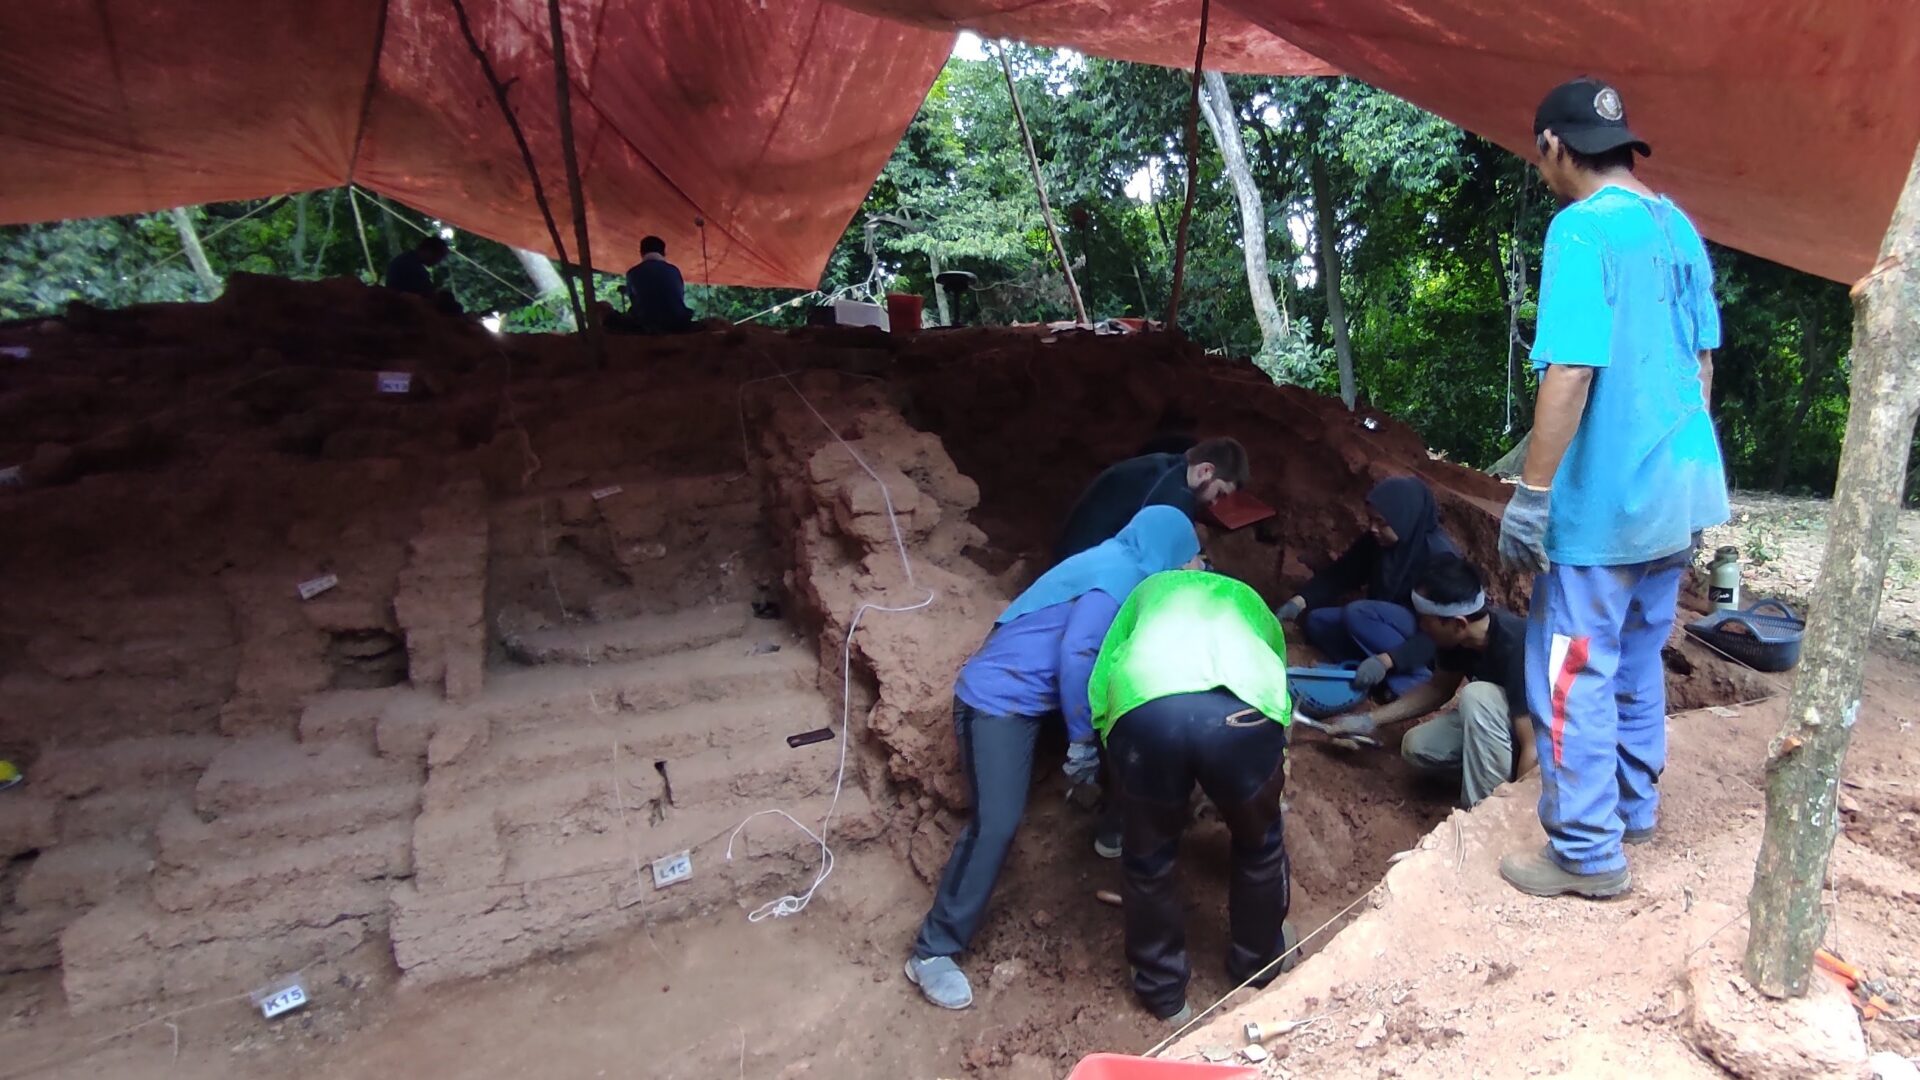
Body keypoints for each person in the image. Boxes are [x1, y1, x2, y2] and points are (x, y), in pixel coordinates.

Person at [1495, 77, 1728, 900]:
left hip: (1604, 509)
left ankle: (1586, 853)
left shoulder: (1582, 232)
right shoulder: (1677, 226)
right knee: (1635, 657)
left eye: (1541, 155)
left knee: (1569, 668)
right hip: (1678, 495)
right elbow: (1701, 367)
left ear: (1556, 147)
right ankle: (1632, 805)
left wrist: (1533, 492)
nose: (1543, 169)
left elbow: (1572, 369)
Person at [906, 506, 1203, 1011]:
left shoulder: (1117, 559)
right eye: (1186, 556)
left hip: (1034, 696)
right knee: (996, 822)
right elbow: (1079, 653)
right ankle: (933, 949)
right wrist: (1082, 741)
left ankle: (1112, 830)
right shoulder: (1119, 576)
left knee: (1129, 729)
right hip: (997, 701)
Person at [1088, 568, 1296, 1023]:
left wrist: (1120, 765)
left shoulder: (1144, 592)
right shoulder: (1246, 594)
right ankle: (1258, 964)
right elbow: (1275, 668)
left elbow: (1102, 679)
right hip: (1242, 713)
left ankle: (1164, 995)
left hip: (1147, 709)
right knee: (1260, 848)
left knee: (1148, 864)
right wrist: (1273, 756)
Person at [1326, 555, 1538, 808]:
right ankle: (1494, 777)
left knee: (1477, 696)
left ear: (1458, 623)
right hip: (1503, 727)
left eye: (1426, 619)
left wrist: (1517, 814)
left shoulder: (1518, 646)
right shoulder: (1459, 640)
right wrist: (1370, 721)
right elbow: (1438, 689)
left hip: (1550, 745)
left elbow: (1534, 746)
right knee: (1417, 747)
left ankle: (1483, 811)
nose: (1420, 626)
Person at [1275, 477, 1458, 697]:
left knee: (1358, 613)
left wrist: (1390, 659)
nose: (1373, 529)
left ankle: (1413, 680)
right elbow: (1342, 574)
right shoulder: (1377, 541)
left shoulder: (1440, 557)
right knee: (1318, 622)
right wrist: (1299, 601)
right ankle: (1367, 674)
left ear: (1404, 520)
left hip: (1424, 641)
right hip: (1380, 624)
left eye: (1382, 523)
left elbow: (1444, 633)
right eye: (1371, 520)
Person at [1053, 438, 1249, 565]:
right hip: (1084, 569)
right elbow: (1159, 561)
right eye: (1219, 493)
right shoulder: (1173, 494)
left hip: (1075, 555)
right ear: (1205, 471)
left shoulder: (1166, 466)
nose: (1215, 503)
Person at [622, 235, 694, 334]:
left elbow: (634, 301)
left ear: (641, 253)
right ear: (664, 253)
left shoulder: (633, 273)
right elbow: (679, 297)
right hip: (678, 323)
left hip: (645, 325)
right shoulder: (674, 270)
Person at [384, 236, 460, 313]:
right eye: (439, 257)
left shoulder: (409, 260)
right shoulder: (411, 265)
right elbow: (426, 292)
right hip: (405, 306)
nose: (438, 261)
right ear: (429, 251)